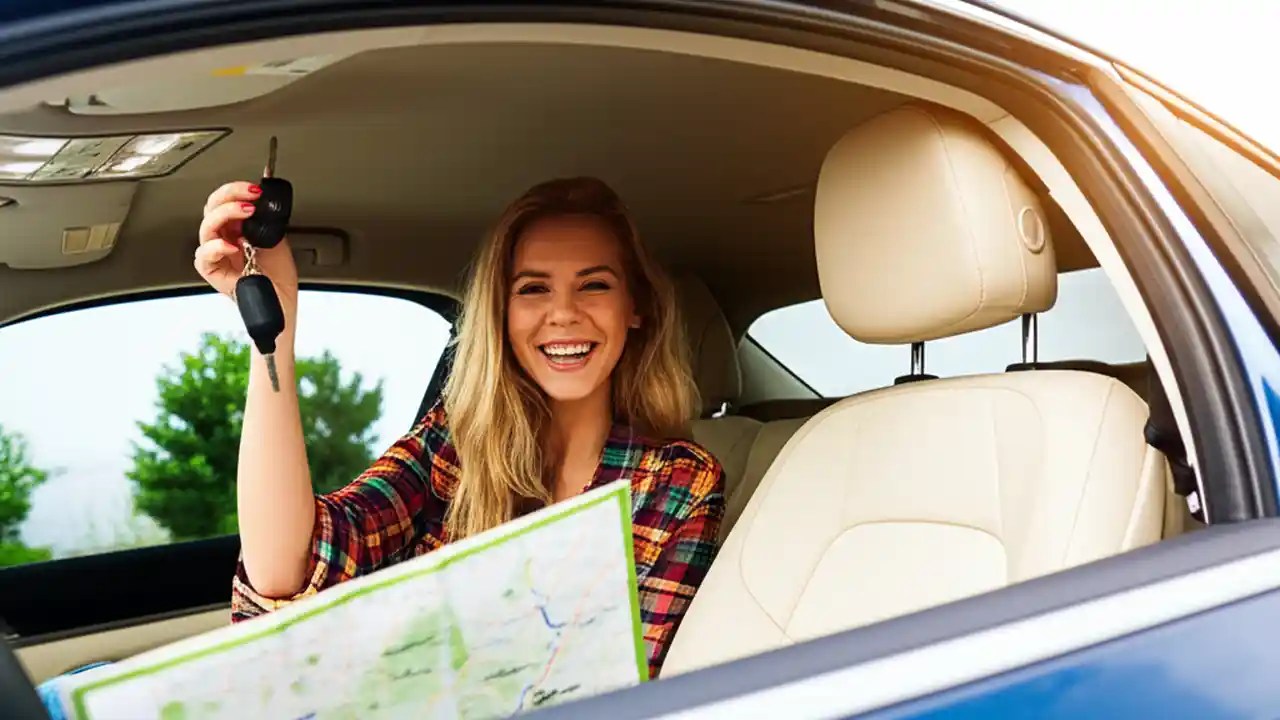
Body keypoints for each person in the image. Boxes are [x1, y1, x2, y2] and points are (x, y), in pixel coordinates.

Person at [198, 175, 725, 681]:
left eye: (594, 285)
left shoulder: (679, 484)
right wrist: (275, 326)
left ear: (635, 308)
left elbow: (634, 687)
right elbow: (288, 570)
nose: (563, 313)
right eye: (534, 289)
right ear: (501, 311)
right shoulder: (453, 446)